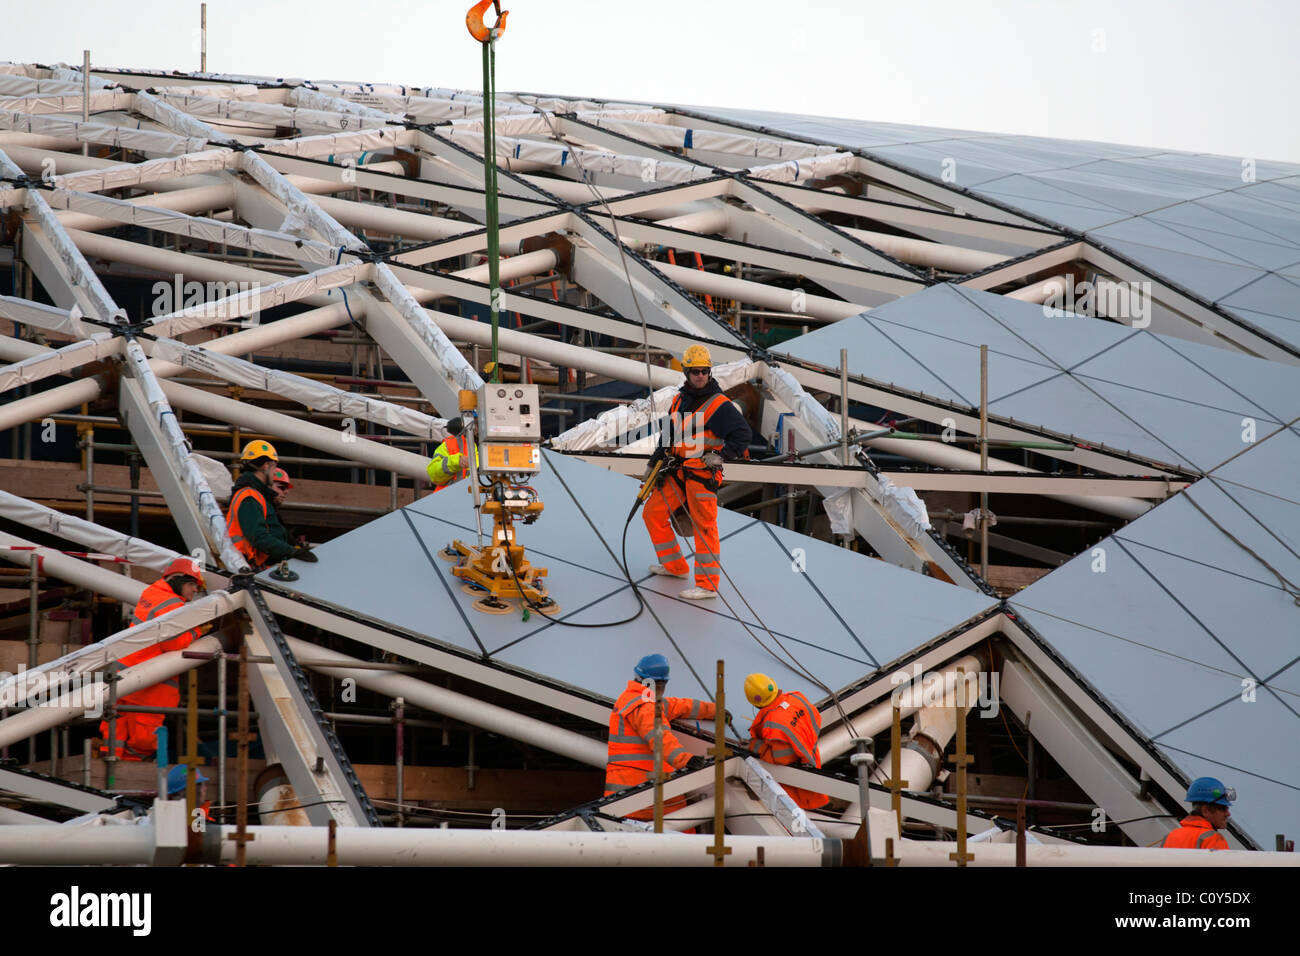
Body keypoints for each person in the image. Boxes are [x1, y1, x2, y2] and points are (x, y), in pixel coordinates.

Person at [643, 345, 751, 600]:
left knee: (705, 527)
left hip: (702, 475)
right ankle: (675, 566)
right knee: (652, 513)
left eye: (704, 371)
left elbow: (743, 434)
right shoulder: (679, 400)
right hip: (677, 472)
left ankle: (707, 584)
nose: (701, 375)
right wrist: (653, 464)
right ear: (687, 373)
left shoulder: (720, 405)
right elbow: (668, 437)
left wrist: (722, 455)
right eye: (695, 371)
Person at [99, 557, 208, 762]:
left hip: (124, 673)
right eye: (192, 584)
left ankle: (108, 774)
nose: (195, 590)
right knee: (144, 741)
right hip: (147, 685)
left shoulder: (152, 593)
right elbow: (173, 643)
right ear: (177, 580)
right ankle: (127, 777)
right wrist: (197, 630)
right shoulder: (173, 604)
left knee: (114, 731)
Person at [604, 654, 716, 820]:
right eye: (663, 684)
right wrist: (685, 760)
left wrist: (714, 710)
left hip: (628, 796)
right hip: (643, 795)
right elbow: (660, 738)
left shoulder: (633, 699)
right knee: (682, 837)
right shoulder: (645, 707)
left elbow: (680, 705)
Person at [744, 672, 829, 810]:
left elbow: (782, 758)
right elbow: (814, 719)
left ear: (755, 703)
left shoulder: (772, 724)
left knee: (792, 809)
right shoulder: (796, 697)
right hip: (811, 753)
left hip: (796, 771)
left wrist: (755, 746)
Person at [225, 440, 313, 570]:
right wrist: (291, 552)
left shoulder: (256, 494)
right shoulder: (249, 495)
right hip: (251, 566)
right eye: (274, 467)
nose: (274, 472)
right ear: (266, 466)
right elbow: (259, 537)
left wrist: (294, 547)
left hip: (254, 565)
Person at [1161, 777, 1234, 850]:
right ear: (1206, 811)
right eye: (1223, 809)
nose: (1228, 814)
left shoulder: (1170, 836)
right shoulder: (1213, 838)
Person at [426, 419, 478, 491]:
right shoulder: (452, 443)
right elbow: (433, 474)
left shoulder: (494, 448)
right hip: (450, 498)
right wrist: (455, 461)